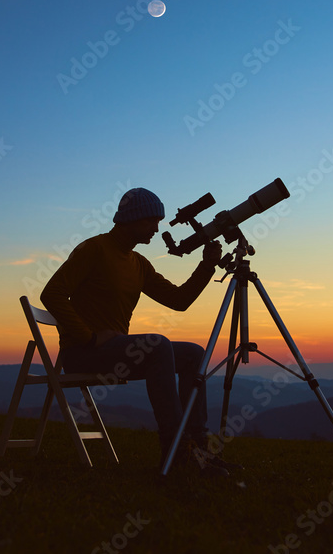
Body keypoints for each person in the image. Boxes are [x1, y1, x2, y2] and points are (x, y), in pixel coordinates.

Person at [40, 187, 228, 476]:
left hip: (114, 351)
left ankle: (197, 445)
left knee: (193, 353)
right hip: (83, 354)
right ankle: (177, 452)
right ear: (133, 219)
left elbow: (179, 301)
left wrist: (206, 266)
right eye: (151, 221)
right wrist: (88, 337)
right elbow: (51, 294)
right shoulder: (94, 249)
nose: (156, 228)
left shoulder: (138, 263)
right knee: (158, 345)